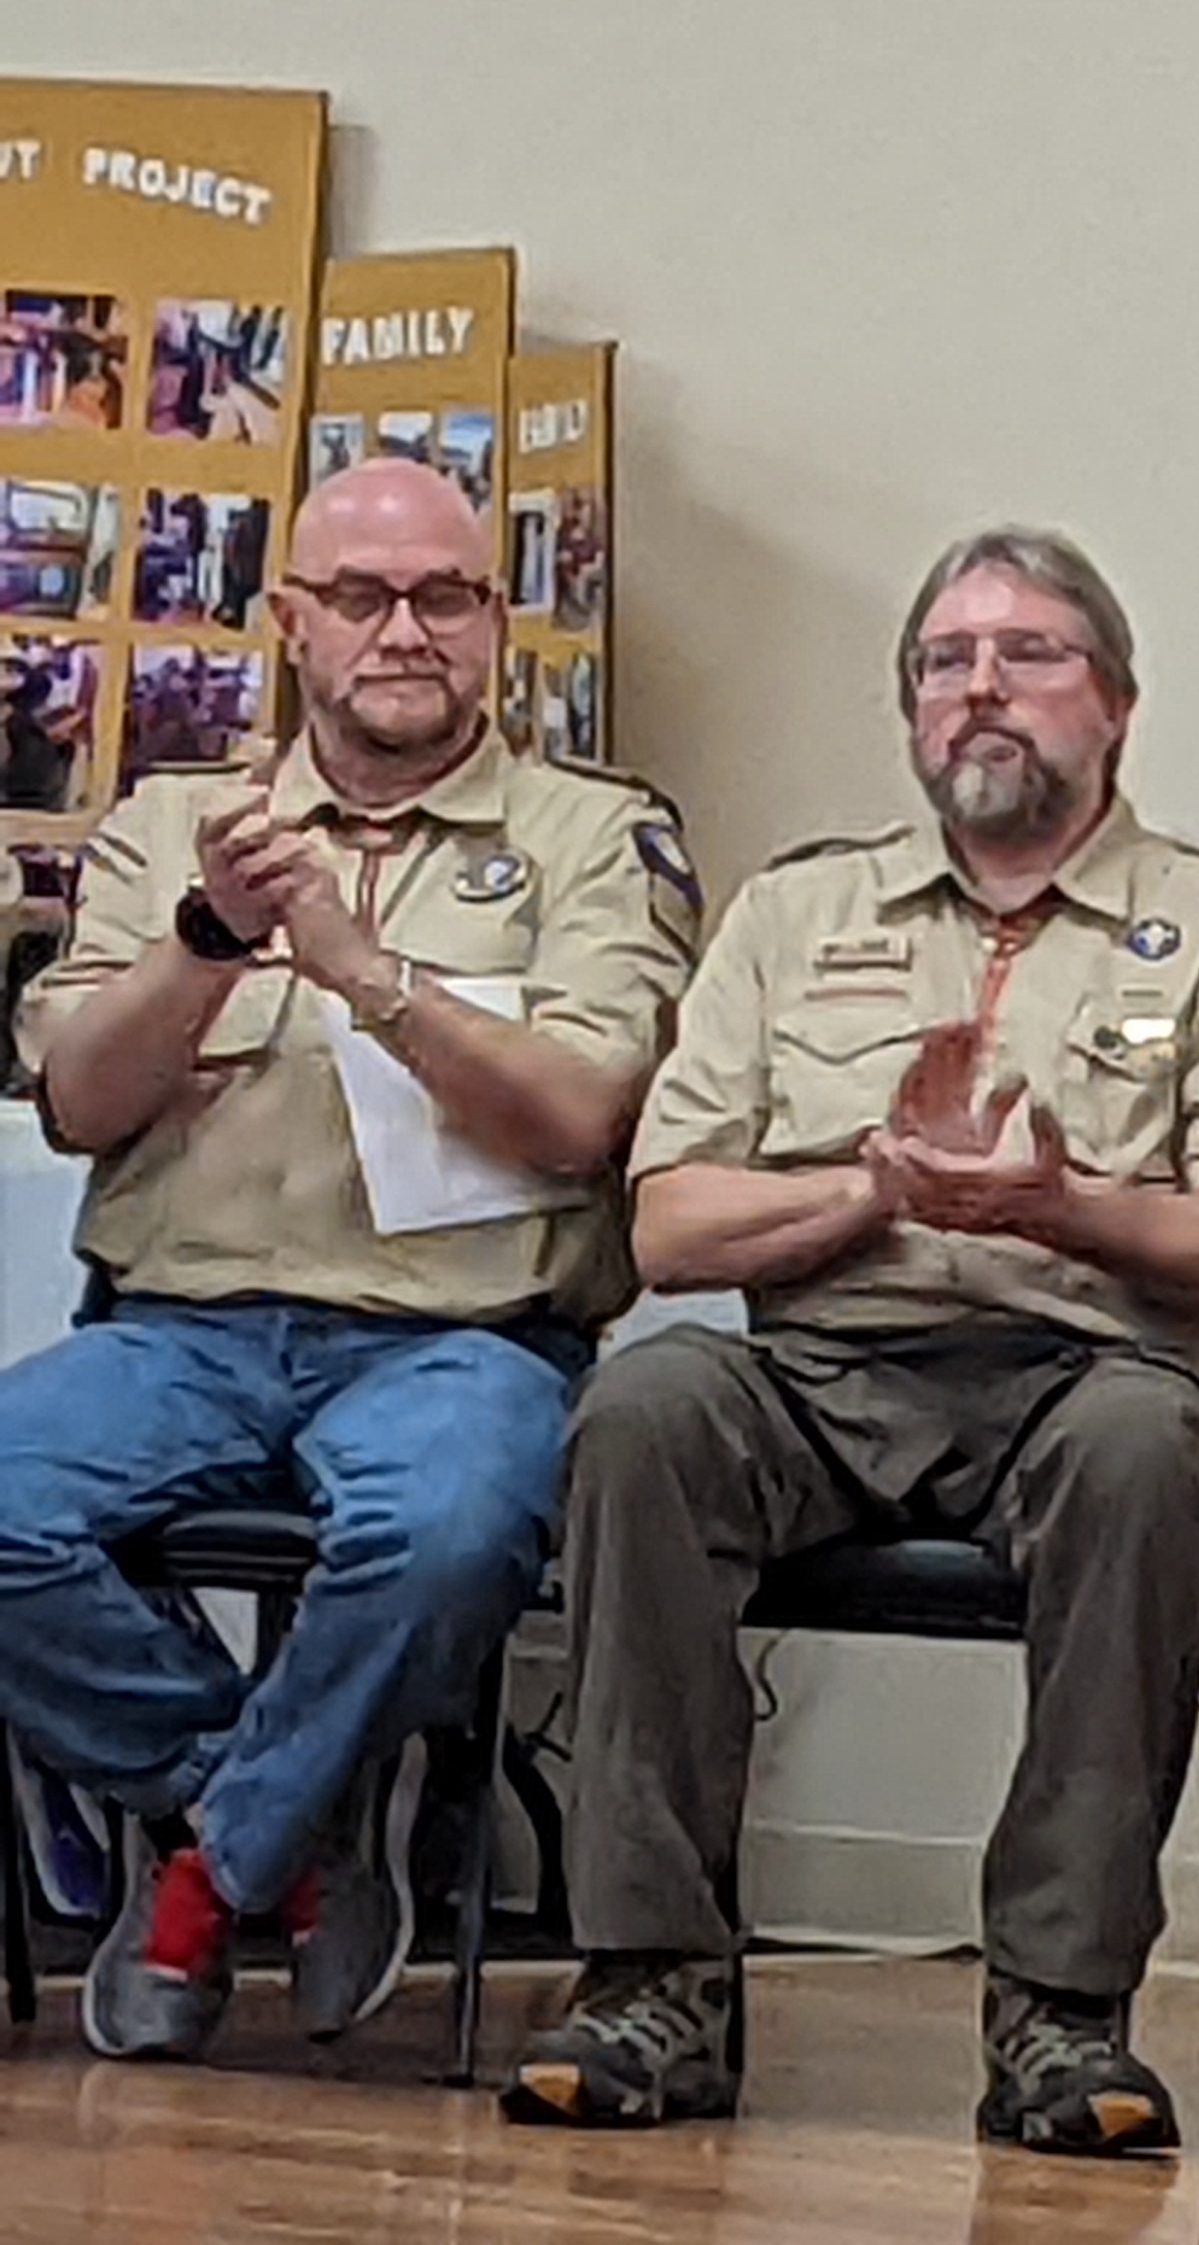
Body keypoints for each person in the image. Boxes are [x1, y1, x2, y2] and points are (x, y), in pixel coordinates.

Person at [504, 529, 1199, 2156]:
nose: (981, 687)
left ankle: (1060, 2017)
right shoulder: (799, 910)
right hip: (815, 1373)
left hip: (1088, 1372)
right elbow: (667, 1224)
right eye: (946, 660)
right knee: (647, 1404)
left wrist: (1061, 1206)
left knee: (1147, 1452)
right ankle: (656, 1981)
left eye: (1031, 652)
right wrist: (868, 1187)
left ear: (1118, 706)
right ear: (913, 711)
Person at [0, 458, 696, 2060]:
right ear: (289, 623)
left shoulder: (595, 836)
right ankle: (292, 1819)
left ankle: (197, 1886)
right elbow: (79, 1106)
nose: (407, 631)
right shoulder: (176, 823)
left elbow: (585, 1117)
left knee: (449, 1532)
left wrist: (367, 975)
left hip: (464, 1343)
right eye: (364, 597)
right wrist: (206, 943)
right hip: (177, 1331)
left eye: (447, 596)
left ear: (494, 625)